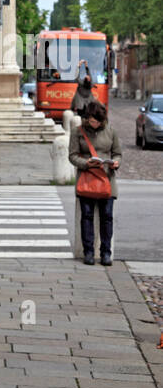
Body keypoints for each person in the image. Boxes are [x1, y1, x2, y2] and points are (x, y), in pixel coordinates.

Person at [68, 101, 121, 266]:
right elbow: (72, 155)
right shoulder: (78, 132)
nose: (95, 124)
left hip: (107, 180)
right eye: (92, 121)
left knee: (107, 217)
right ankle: (88, 252)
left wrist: (115, 162)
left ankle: (106, 253)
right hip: (87, 180)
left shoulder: (111, 131)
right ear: (87, 118)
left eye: (98, 121)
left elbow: (117, 153)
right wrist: (86, 163)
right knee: (87, 216)